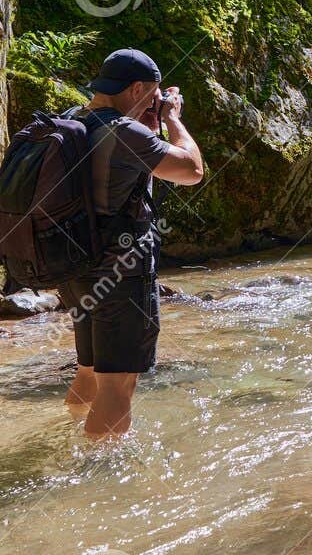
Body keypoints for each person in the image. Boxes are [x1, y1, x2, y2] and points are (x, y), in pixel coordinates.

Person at [62, 48, 205, 438]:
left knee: (89, 368)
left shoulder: (72, 122)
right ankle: (97, 472)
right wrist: (173, 119)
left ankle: (71, 434)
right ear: (138, 87)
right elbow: (191, 171)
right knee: (119, 383)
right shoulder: (124, 132)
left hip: (74, 266)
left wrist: (149, 123)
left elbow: (127, 179)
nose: (157, 104)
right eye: (154, 95)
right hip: (120, 270)